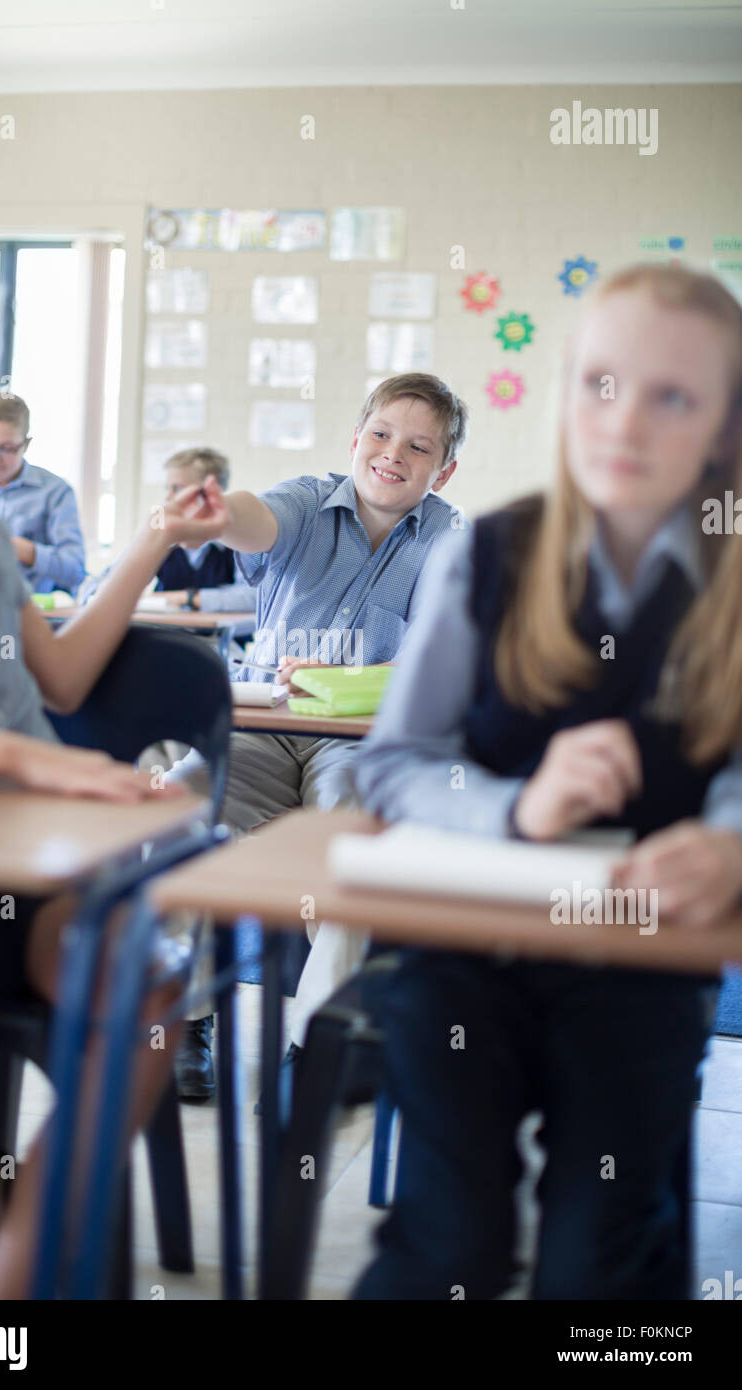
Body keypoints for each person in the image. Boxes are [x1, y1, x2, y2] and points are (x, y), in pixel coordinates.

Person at [353, 263, 742, 1300]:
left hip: (637, 961)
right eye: (600, 383)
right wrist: (514, 808)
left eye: (674, 397)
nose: (625, 421)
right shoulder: (489, 551)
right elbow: (388, 763)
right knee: (450, 1237)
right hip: (463, 951)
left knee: (595, 1259)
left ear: (721, 426)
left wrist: (729, 836)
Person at [0, 242, 227, 1299]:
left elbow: (65, 679)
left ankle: (9, 1288)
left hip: (40, 848)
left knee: (145, 999)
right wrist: (13, 752)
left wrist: (156, 537)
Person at [165, 373, 468, 1100]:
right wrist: (213, 514)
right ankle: (189, 1020)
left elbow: (435, 661)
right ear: (356, 437)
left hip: (363, 743)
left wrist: (352, 674)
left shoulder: (453, 539)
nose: (393, 454)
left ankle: (322, 1043)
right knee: (177, 808)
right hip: (266, 725)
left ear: (443, 469)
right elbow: (254, 519)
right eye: (382, 434)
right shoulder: (308, 497)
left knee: (355, 844)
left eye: (419, 447)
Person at [79, 446, 254, 614]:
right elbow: (93, 590)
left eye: (177, 488)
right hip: (166, 635)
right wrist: (148, 552)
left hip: (218, 640)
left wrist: (186, 598)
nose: (168, 497)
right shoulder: (161, 530)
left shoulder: (238, 538)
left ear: (211, 491)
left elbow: (254, 597)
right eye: (167, 488)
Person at [0, 391, 86, 595]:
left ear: (25, 445)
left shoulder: (55, 493)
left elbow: (76, 570)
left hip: (32, 613)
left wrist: (26, 552)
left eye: (6, 448)